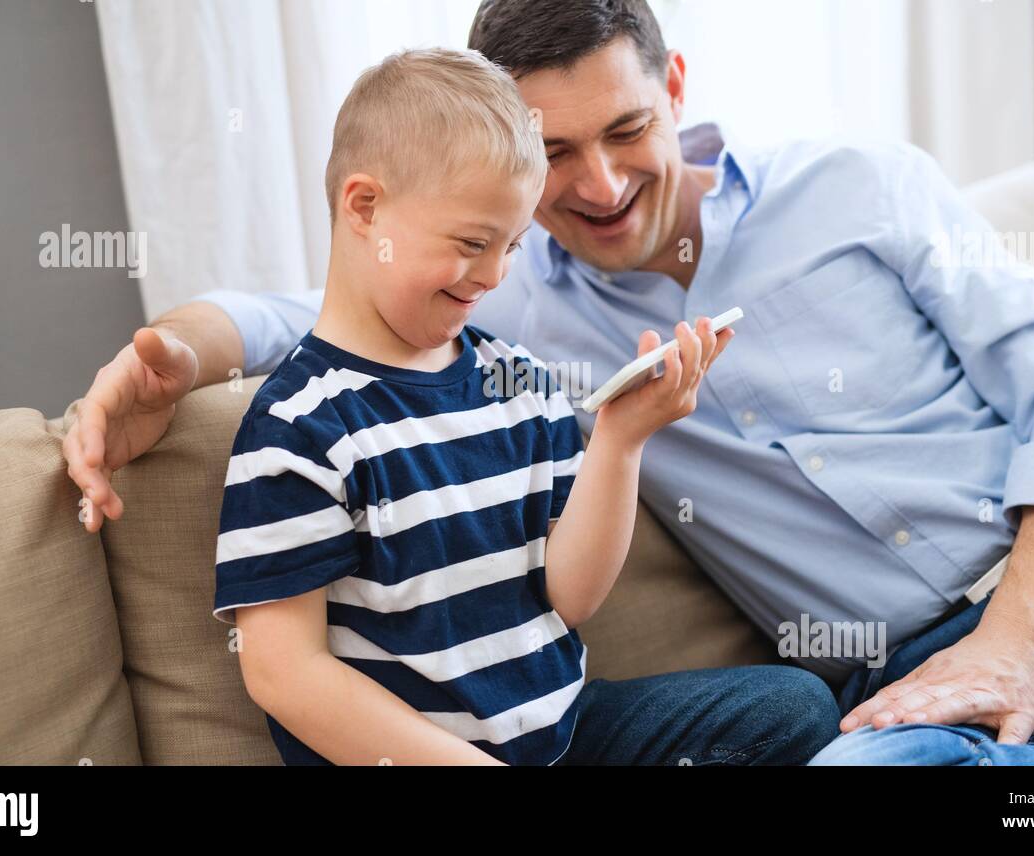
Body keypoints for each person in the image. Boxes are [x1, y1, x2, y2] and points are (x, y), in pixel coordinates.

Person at [65, 0, 1034, 764]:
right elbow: (304, 315)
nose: (598, 186)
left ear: (676, 87)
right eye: (550, 154)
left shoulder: (862, 187)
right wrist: (165, 356)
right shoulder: (507, 304)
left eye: (626, 128)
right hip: (897, 680)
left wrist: (1022, 633)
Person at [207, 46, 836, 766]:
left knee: (792, 709)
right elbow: (284, 673)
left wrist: (621, 440)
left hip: (564, 740)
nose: (496, 275)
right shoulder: (299, 427)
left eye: (513, 244)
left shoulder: (522, 382)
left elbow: (569, 598)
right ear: (365, 207)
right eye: (474, 243)